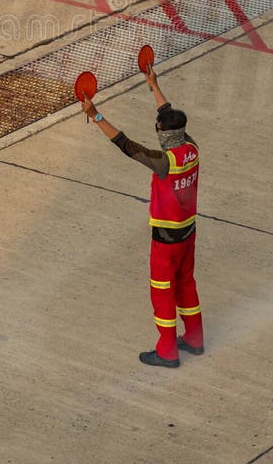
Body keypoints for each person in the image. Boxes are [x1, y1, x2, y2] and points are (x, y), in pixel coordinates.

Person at [81, 65, 203, 368]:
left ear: (163, 132)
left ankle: (167, 351)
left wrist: (96, 115)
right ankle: (194, 338)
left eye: (158, 127)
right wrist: (153, 85)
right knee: (186, 282)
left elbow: (126, 145)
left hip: (166, 239)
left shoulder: (164, 161)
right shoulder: (191, 148)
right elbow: (168, 113)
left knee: (162, 291)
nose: (157, 128)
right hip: (189, 232)